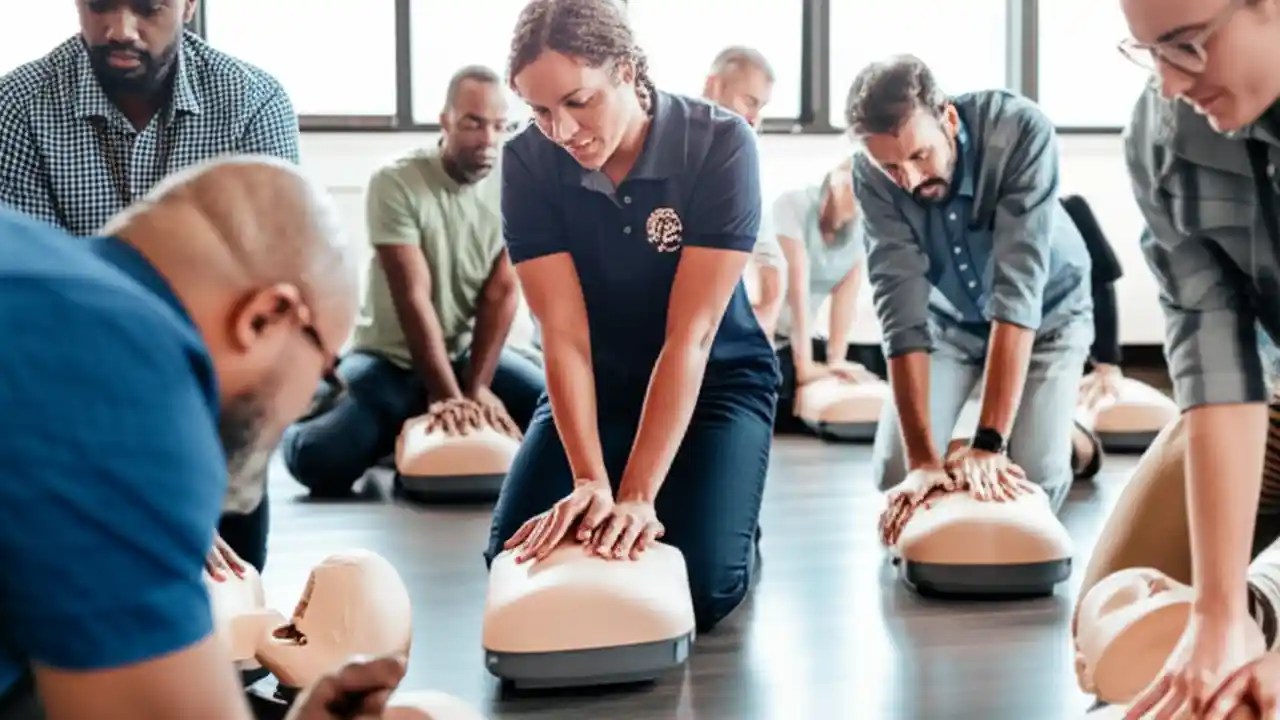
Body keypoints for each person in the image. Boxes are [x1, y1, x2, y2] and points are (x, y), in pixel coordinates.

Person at [0, 155, 406, 719]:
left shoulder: (29, 262)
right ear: (267, 316)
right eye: (323, 376)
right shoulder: (131, 376)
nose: (301, 407)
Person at [483, 0, 779, 633]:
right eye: (539, 112)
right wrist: (591, 480)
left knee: (701, 587)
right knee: (514, 555)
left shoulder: (722, 143)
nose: (561, 130)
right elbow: (563, 340)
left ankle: (721, 510)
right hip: (601, 380)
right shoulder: (528, 161)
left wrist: (638, 494)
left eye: (578, 102)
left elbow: (692, 337)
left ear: (626, 70)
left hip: (716, 382)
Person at [0, 0, 302, 573]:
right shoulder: (17, 109)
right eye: (99, 6)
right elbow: (32, 320)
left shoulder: (252, 104)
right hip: (66, 414)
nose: (120, 29)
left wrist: (183, 484)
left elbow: (260, 299)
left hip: (215, 405)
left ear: (189, 6)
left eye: (148, 9)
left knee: (226, 625)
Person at [1105, 0, 1280, 716]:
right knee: (1129, 636)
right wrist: (1214, 615)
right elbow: (1219, 375)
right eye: (1146, 51)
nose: (1170, 82)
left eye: (1185, 44)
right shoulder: (1165, 132)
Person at [280, 65, 545, 498]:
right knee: (320, 457)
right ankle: (358, 415)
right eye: (473, 123)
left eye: (501, 126)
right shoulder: (395, 181)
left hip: (466, 355)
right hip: (390, 358)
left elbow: (501, 292)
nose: (488, 140)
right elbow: (412, 297)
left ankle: (414, 416)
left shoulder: (517, 183)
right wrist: (446, 396)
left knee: (555, 418)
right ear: (445, 121)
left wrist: (475, 388)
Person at [846, 54, 1094, 512]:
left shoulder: (1020, 130)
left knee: (1034, 478)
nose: (912, 180)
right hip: (952, 322)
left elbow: (1017, 292)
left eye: (920, 155)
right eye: (893, 168)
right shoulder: (869, 175)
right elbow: (899, 311)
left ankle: (1070, 439)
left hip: (1048, 318)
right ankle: (1002, 433)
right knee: (895, 473)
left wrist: (990, 443)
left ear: (949, 119)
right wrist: (922, 460)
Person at [770, 158, 876, 416]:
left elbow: (845, 300)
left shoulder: (861, 231)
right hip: (767, 336)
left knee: (871, 363)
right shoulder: (792, 206)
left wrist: (836, 362)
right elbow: (798, 296)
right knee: (781, 376)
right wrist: (805, 366)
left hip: (798, 339)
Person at [700, 45, 788, 338]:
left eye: (761, 108)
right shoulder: (669, 144)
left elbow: (769, 255)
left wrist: (765, 320)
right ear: (713, 86)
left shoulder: (743, 162)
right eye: (749, 102)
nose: (754, 118)